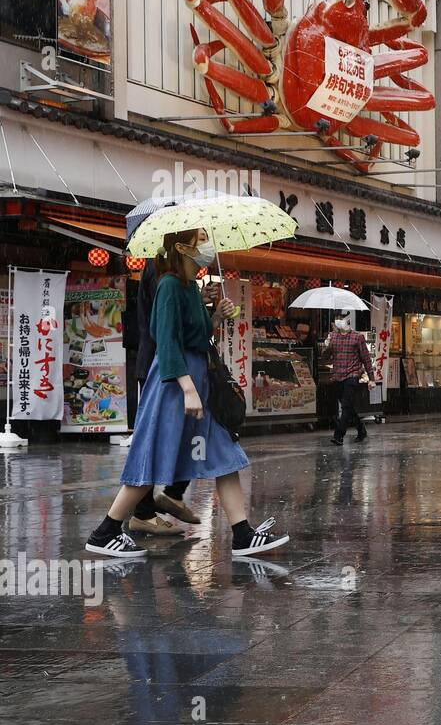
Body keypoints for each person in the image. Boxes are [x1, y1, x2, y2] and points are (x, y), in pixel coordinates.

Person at [85, 228, 289, 559]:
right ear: (182, 247)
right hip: (175, 385)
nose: (208, 246)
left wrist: (215, 316)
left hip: (196, 380)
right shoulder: (169, 286)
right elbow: (166, 342)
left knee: (223, 453)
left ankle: (242, 534)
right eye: (202, 239)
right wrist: (187, 388)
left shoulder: (189, 287)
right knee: (152, 456)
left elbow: (195, 334)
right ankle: (105, 531)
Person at [124, 258, 201, 536]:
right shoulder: (164, 272)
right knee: (152, 441)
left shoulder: (177, 276)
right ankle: (139, 513)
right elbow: (169, 326)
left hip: (173, 366)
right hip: (163, 367)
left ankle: (172, 494)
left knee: (185, 436)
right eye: (200, 237)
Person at [322, 313, 374, 445]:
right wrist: (327, 346)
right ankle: (361, 429)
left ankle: (339, 435)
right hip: (337, 376)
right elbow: (325, 357)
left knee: (345, 406)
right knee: (348, 406)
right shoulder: (333, 336)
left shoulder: (358, 337)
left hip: (352, 375)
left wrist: (371, 378)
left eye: (341, 319)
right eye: (336, 319)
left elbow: (366, 359)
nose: (338, 322)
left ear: (348, 321)